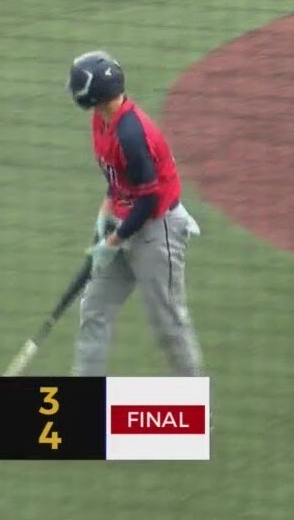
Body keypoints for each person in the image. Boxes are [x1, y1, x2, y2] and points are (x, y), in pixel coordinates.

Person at [66, 51, 204, 377]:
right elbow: (116, 180)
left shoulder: (132, 135)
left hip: (158, 232)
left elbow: (148, 199)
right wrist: (103, 218)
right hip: (124, 224)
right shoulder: (102, 121)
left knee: (169, 326)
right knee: (94, 310)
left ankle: (197, 415)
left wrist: (111, 242)